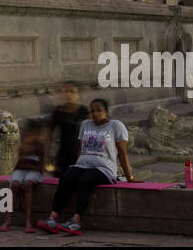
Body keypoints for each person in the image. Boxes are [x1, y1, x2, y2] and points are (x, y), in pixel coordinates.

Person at [38, 97, 136, 235]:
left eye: (99, 110)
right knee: (66, 177)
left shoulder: (116, 126)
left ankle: (76, 221)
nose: (95, 113)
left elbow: (122, 153)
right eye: (92, 111)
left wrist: (129, 177)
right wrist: (77, 166)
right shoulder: (86, 124)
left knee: (84, 181)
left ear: (106, 112)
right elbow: (81, 149)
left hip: (104, 169)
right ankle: (52, 218)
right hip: (83, 165)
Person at [0, 120, 49, 232]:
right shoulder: (25, 140)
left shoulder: (40, 141)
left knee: (27, 184)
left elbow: (43, 161)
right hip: (22, 167)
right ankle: (8, 220)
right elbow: (20, 154)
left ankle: (28, 222)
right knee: (15, 185)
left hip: (34, 168)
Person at [49, 82, 89, 173]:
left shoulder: (84, 112)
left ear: (78, 94)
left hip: (80, 152)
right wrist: (49, 155)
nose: (68, 94)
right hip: (63, 154)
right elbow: (49, 135)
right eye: (66, 91)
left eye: (72, 91)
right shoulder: (58, 112)